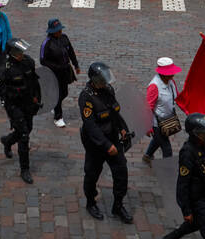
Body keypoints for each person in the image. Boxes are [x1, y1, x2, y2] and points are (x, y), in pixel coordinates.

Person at [78, 62, 133, 222]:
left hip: (113, 138)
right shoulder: (86, 97)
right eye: (103, 80)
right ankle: (90, 202)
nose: (106, 83)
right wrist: (106, 145)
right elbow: (90, 126)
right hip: (96, 143)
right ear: (94, 80)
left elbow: (114, 112)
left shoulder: (108, 90)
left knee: (121, 172)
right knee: (92, 174)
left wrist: (123, 128)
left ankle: (118, 206)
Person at [0, 38, 42, 184]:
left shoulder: (28, 62)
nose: (21, 54)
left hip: (28, 102)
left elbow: (35, 82)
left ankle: (7, 141)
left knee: (28, 128)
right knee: (24, 135)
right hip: (13, 104)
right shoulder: (4, 68)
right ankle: (25, 169)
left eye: (22, 51)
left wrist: (37, 98)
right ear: (11, 53)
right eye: (18, 52)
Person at [40, 18, 80, 127]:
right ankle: (58, 117)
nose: (59, 32)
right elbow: (42, 60)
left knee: (64, 93)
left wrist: (76, 65)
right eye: (57, 31)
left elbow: (71, 52)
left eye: (60, 30)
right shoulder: (46, 43)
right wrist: (56, 67)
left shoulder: (64, 38)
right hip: (54, 74)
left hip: (65, 71)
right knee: (58, 94)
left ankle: (54, 105)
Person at [141, 56, 182, 163]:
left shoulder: (171, 82)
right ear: (163, 73)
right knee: (167, 149)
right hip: (157, 124)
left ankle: (147, 156)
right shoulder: (154, 86)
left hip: (167, 120)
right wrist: (147, 126)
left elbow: (177, 97)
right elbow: (148, 107)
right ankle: (167, 170)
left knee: (157, 140)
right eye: (170, 73)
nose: (173, 74)